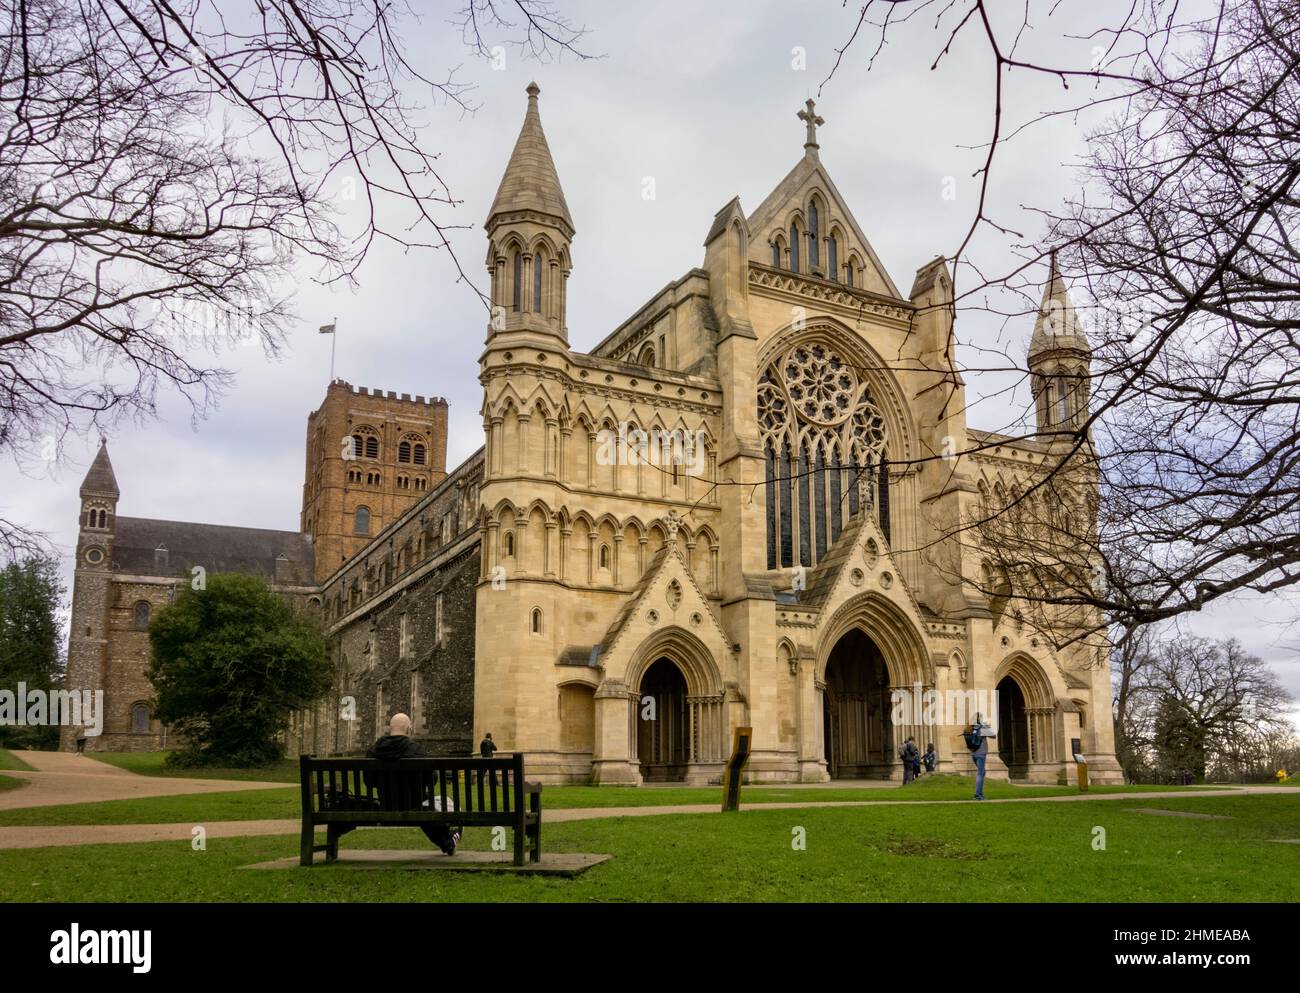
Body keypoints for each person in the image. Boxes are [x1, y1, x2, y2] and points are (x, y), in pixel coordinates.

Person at [368, 713, 460, 855]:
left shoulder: (373, 750)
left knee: (428, 807)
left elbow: (369, 781)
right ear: (408, 729)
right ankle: (448, 840)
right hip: (415, 806)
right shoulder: (416, 750)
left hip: (386, 805)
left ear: (389, 728)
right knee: (438, 805)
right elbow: (431, 780)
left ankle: (448, 842)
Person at [967, 715, 991, 800]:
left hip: (973, 753)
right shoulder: (982, 728)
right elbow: (994, 735)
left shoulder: (970, 728)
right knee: (980, 774)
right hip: (981, 753)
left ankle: (980, 794)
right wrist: (987, 726)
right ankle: (977, 795)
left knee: (982, 772)